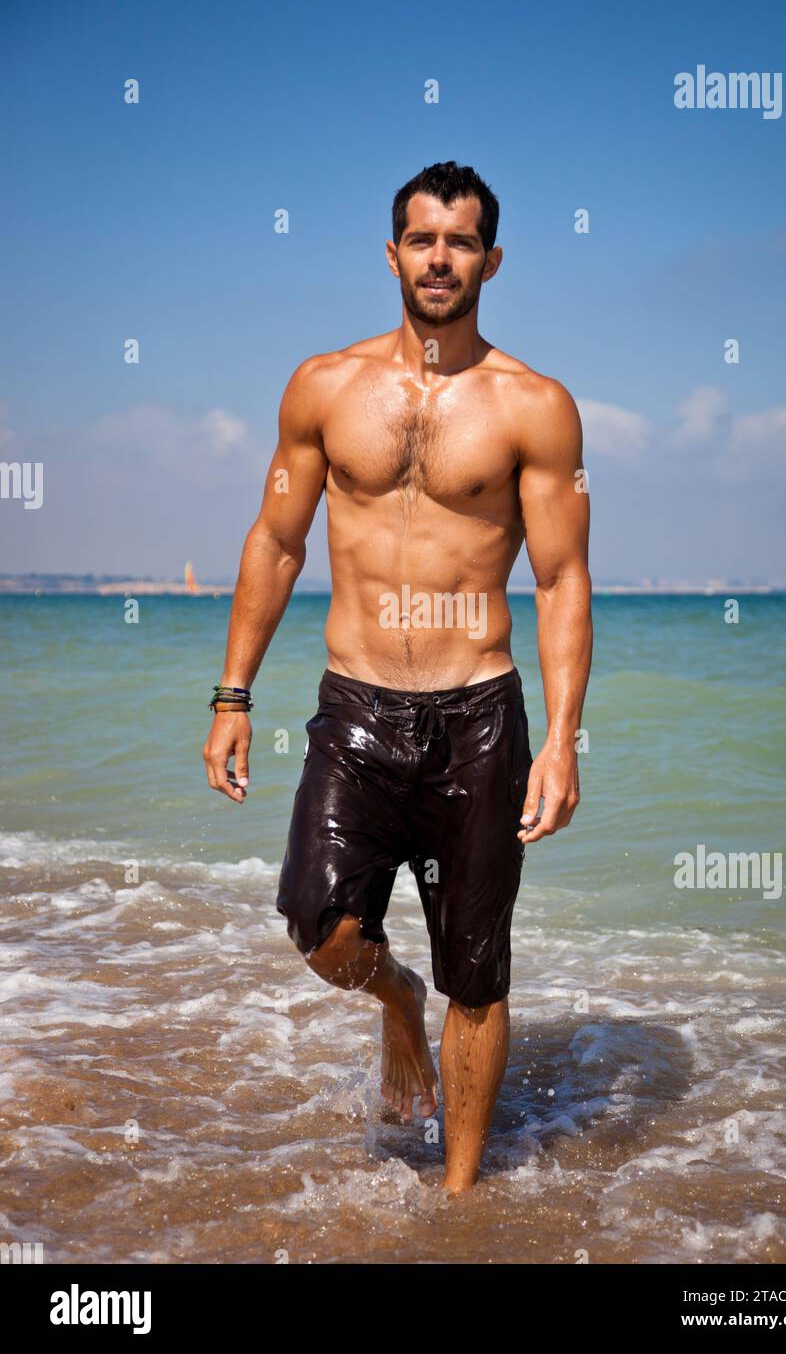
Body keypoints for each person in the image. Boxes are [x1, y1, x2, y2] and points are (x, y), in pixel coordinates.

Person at [203, 160, 592, 1195]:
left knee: (479, 968)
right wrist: (233, 693)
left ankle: (462, 1204)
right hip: (356, 707)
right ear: (392, 254)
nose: (438, 257)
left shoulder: (534, 406)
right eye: (421, 239)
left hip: (477, 713)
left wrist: (558, 740)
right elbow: (276, 542)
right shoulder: (323, 386)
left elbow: (558, 579)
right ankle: (393, 999)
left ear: (489, 260)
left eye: (459, 241)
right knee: (321, 931)